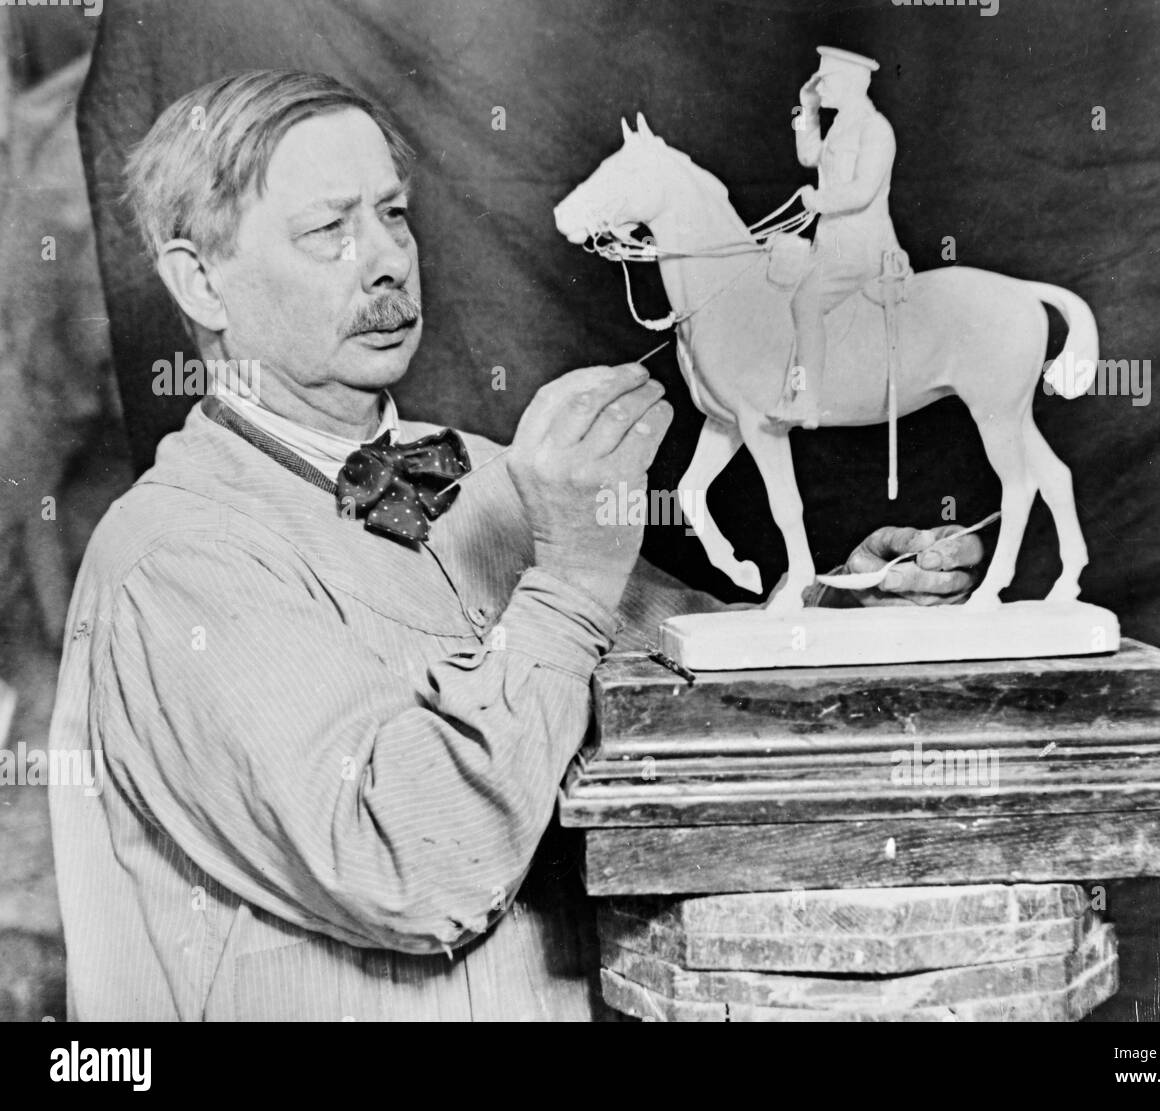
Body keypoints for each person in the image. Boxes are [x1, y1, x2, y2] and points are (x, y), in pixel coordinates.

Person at [48, 70, 982, 1021]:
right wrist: (572, 578)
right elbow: (413, 867)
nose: (385, 262)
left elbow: (697, 684)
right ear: (199, 280)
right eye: (328, 230)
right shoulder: (176, 560)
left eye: (394, 216)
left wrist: (842, 605)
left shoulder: (486, 476)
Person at [769, 47, 907, 430]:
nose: (819, 85)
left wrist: (818, 200)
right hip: (832, 245)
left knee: (805, 298)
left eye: (825, 80)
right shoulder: (842, 125)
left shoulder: (875, 128)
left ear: (850, 83)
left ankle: (808, 402)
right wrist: (807, 111)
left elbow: (863, 192)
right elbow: (807, 156)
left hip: (865, 248)